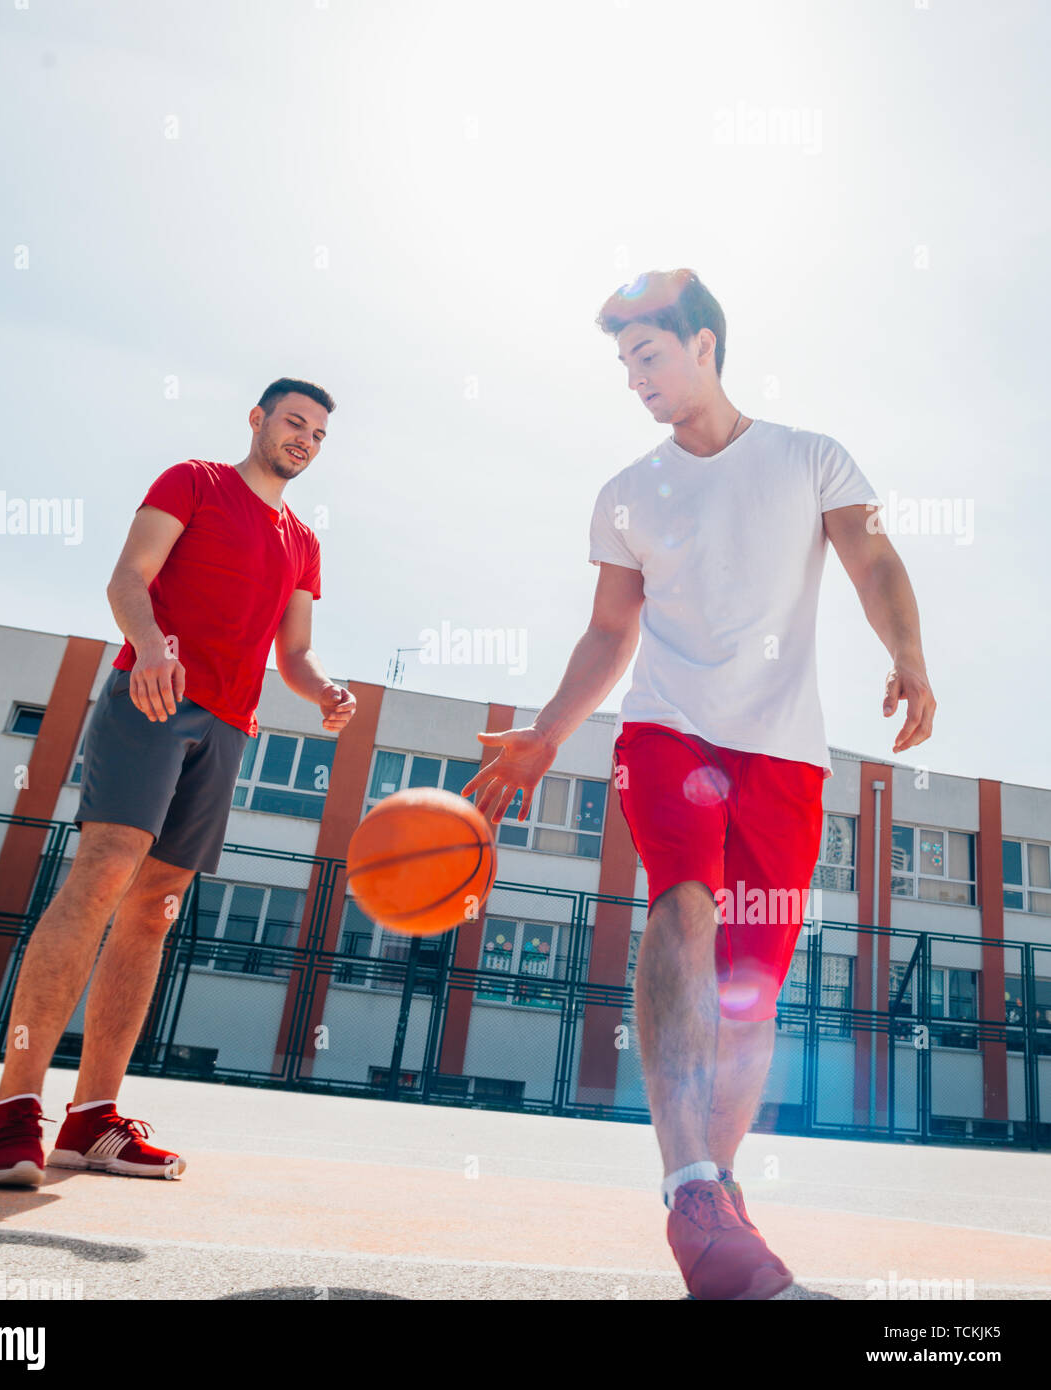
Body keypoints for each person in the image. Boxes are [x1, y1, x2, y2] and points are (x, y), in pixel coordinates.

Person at [464, 270, 936, 1298]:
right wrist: (546, 735)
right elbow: (608, 631)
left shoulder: (807, 457)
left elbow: (870, 556)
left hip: (783, 752)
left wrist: (904, 650)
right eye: (623, 361)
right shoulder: (625, 491)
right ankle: (686, 1188)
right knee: (681, 908)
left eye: (648, 354)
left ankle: (719, 1188)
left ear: (705, 345)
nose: (633, 378)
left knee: (751, 987)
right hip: (668, 730)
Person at [0, 377, 356, 1185]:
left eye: (317, 433)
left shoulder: (304, 543)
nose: (304, 440)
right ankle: (11, 1111)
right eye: (292, 422)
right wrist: (149, 647)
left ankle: (92, 1120)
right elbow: (128, 578)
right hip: (154, 694)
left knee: (153, 911)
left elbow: (294, 652)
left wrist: (324, 690)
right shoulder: (194, 481)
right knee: (106, 869)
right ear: (257, 420)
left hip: (228, 727)